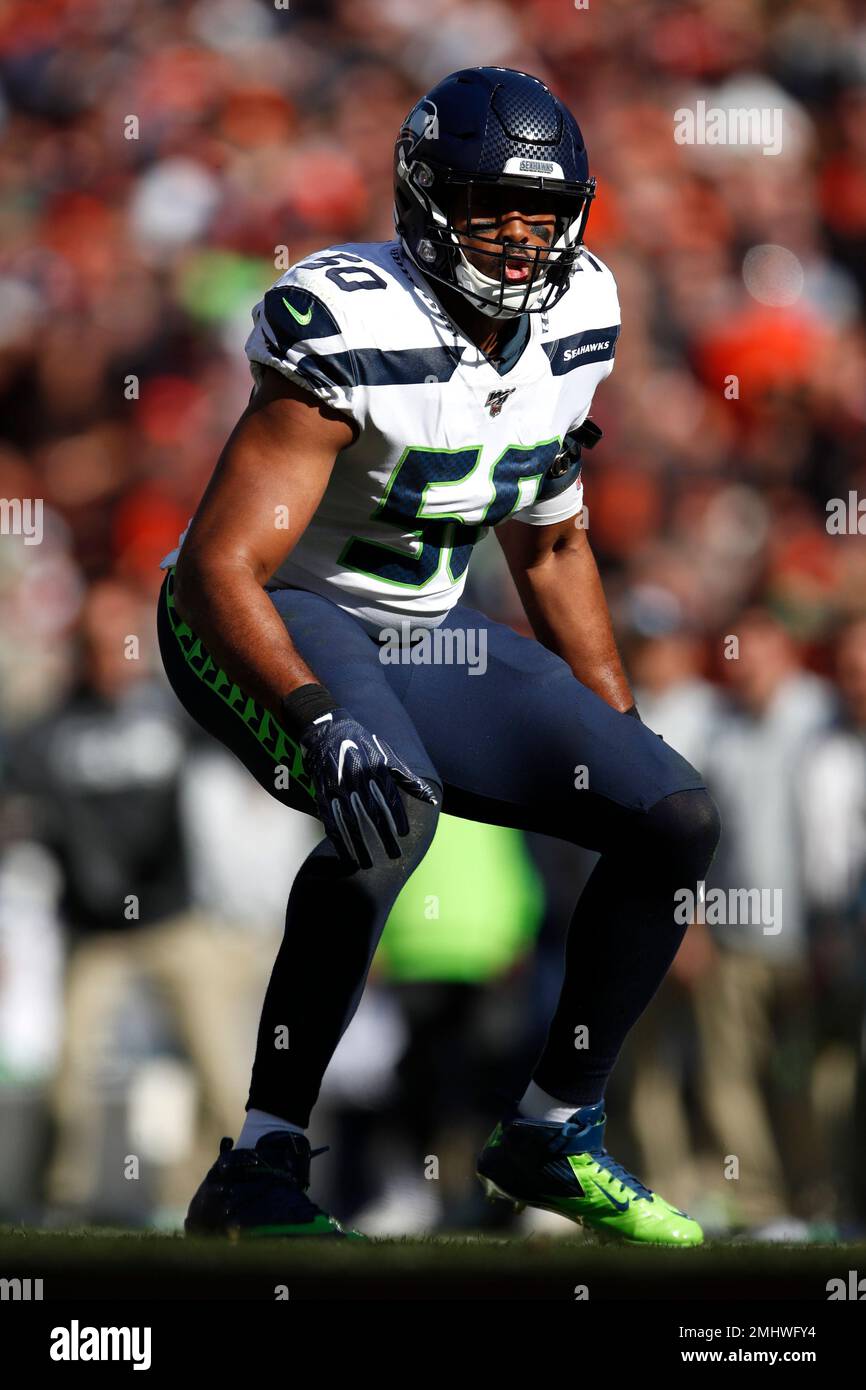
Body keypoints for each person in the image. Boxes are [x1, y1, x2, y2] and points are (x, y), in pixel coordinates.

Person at [156, 66, 720, 1244]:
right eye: (486, 205)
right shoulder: (349, 315)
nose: (519, 237)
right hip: (271, 609)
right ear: (424, 202)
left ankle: (550, 1128)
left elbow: (551, 542)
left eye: (541, 208)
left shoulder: (579, 316)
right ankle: (258, 1161)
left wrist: (613, 740)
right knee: (386, 805)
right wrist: (319, 718)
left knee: (672, 815)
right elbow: (221, 566)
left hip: (422, 628)